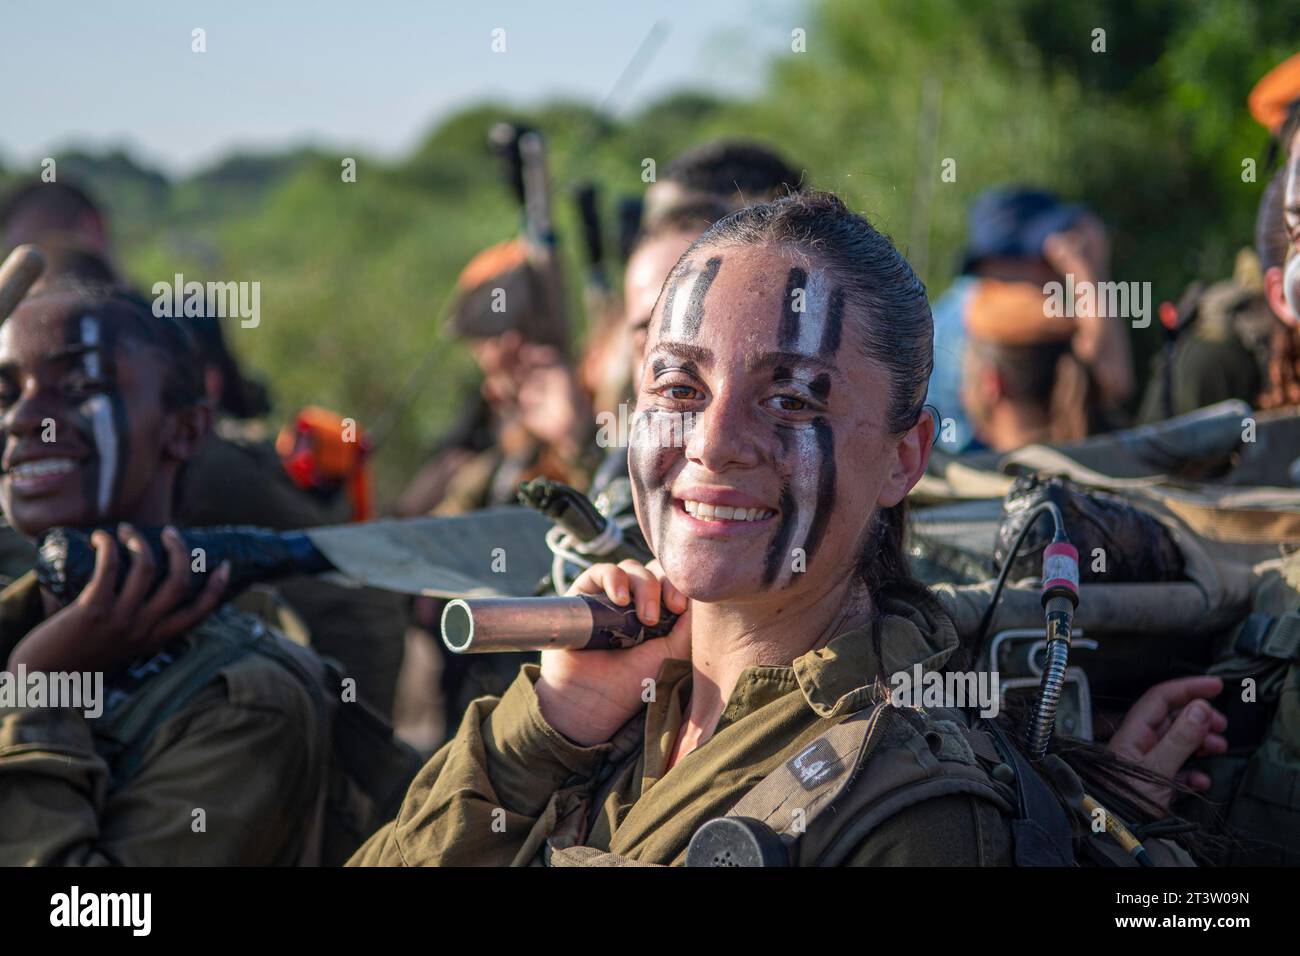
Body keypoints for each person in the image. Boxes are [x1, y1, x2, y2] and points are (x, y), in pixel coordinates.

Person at [350, 193, 1216, 867]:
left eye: (792, 399)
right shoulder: (591, 712)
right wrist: (546, 731)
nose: (715, 444)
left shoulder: (912, 810)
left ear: (903, 458)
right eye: (678, 390)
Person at [0, 282, 329, 864]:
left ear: (186, 428)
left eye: (80, 387)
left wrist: (39, 688)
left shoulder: (245, 705)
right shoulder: (15, 614)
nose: (24, 419)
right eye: (4, 395)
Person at [928, 187, 1134, 453]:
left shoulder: (982, 305)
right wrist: (1088, 277)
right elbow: (1114, 382)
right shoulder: (990, 318)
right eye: (1049, 257)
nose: (1058, 269)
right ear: (1003, 262)